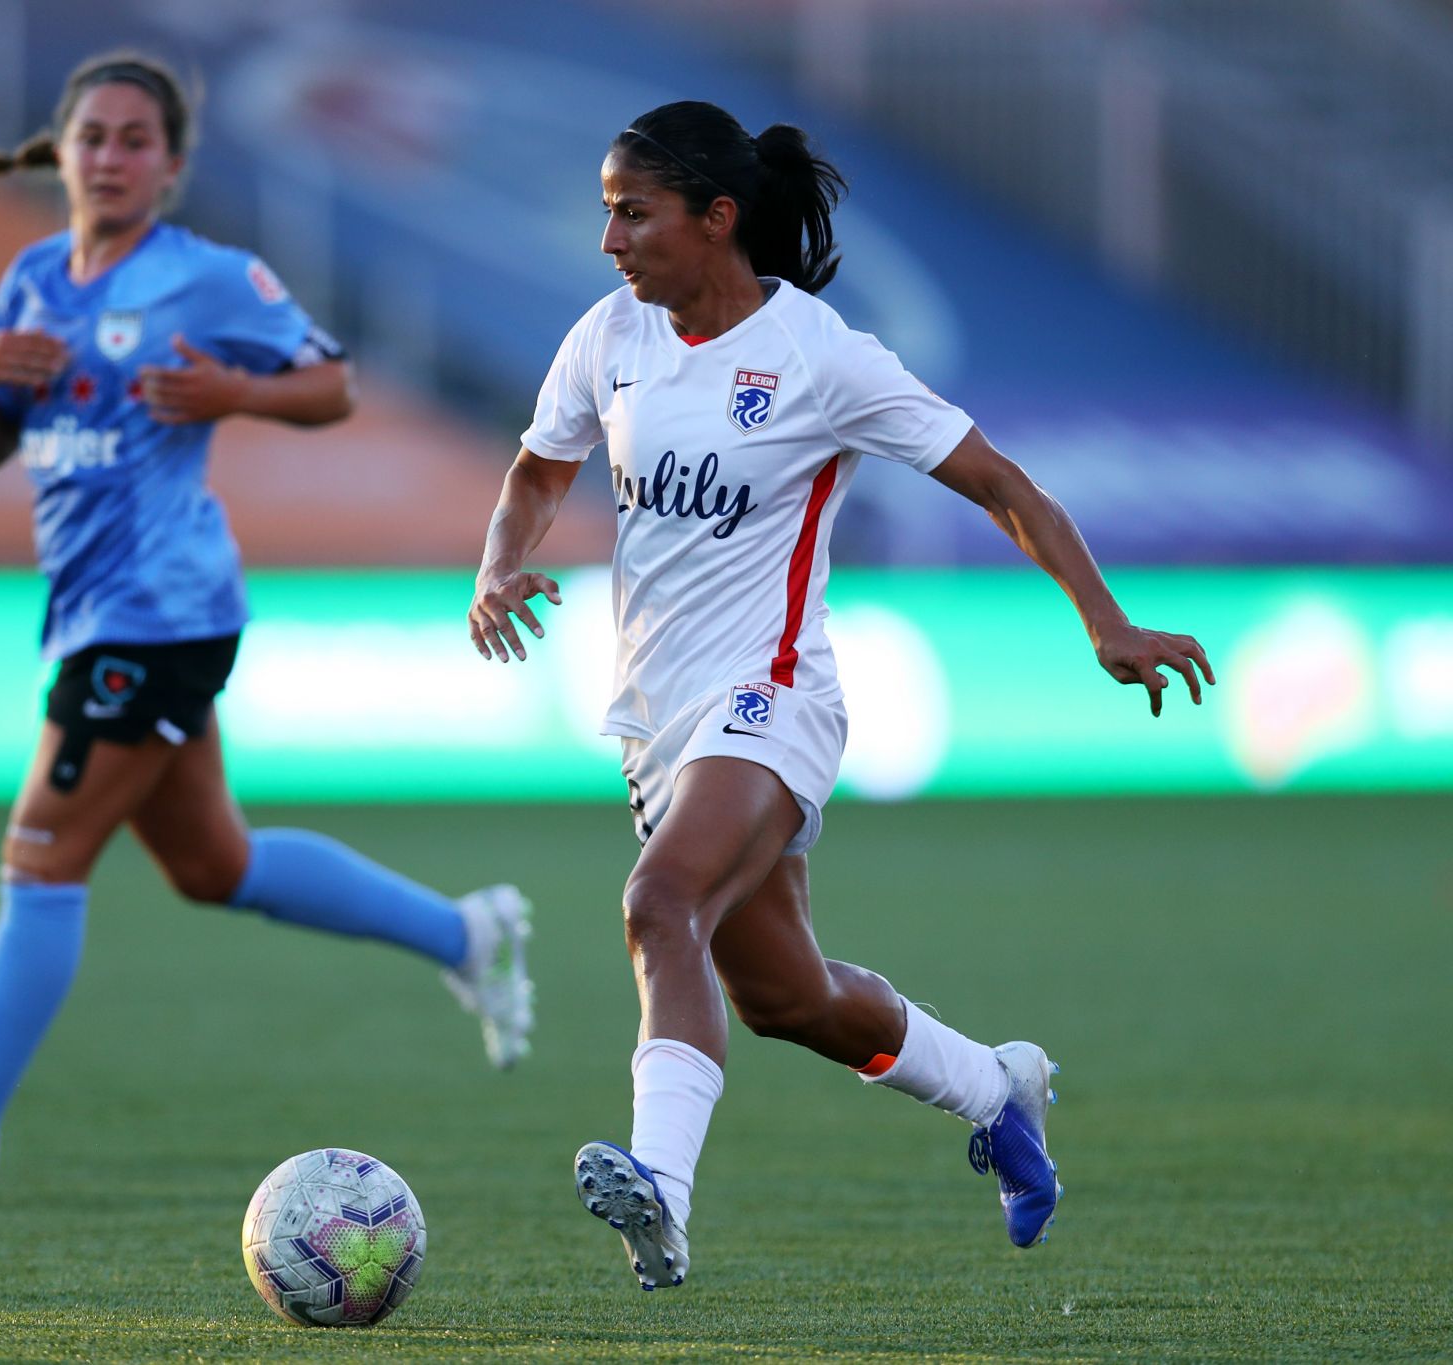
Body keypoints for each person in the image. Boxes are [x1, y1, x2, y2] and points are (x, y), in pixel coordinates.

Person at [468, 101, 1212, 1288]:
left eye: (632, 213)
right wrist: (499, 562)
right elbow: (537, 468)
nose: (608, 240)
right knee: (787, 998)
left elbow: (999, 482)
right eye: (607, 212)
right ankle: (995, 1088)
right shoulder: (609, 335)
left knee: (659, 903)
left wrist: (1101, 620)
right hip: (656, 723)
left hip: (772, 696)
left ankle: (660, 1191)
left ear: (716, 218)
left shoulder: (819, 355)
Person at [0, 52, 534, 1195]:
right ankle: (464, 935)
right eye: (91, 137)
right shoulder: (31, 278)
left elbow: (333, 383)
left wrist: (233, 393)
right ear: (61, 152)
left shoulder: (206, 279)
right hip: (90, 610)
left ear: (171, 165)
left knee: (41, 852)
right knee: (213, 864)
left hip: (158, 613)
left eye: (133, 140)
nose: (108, 157)